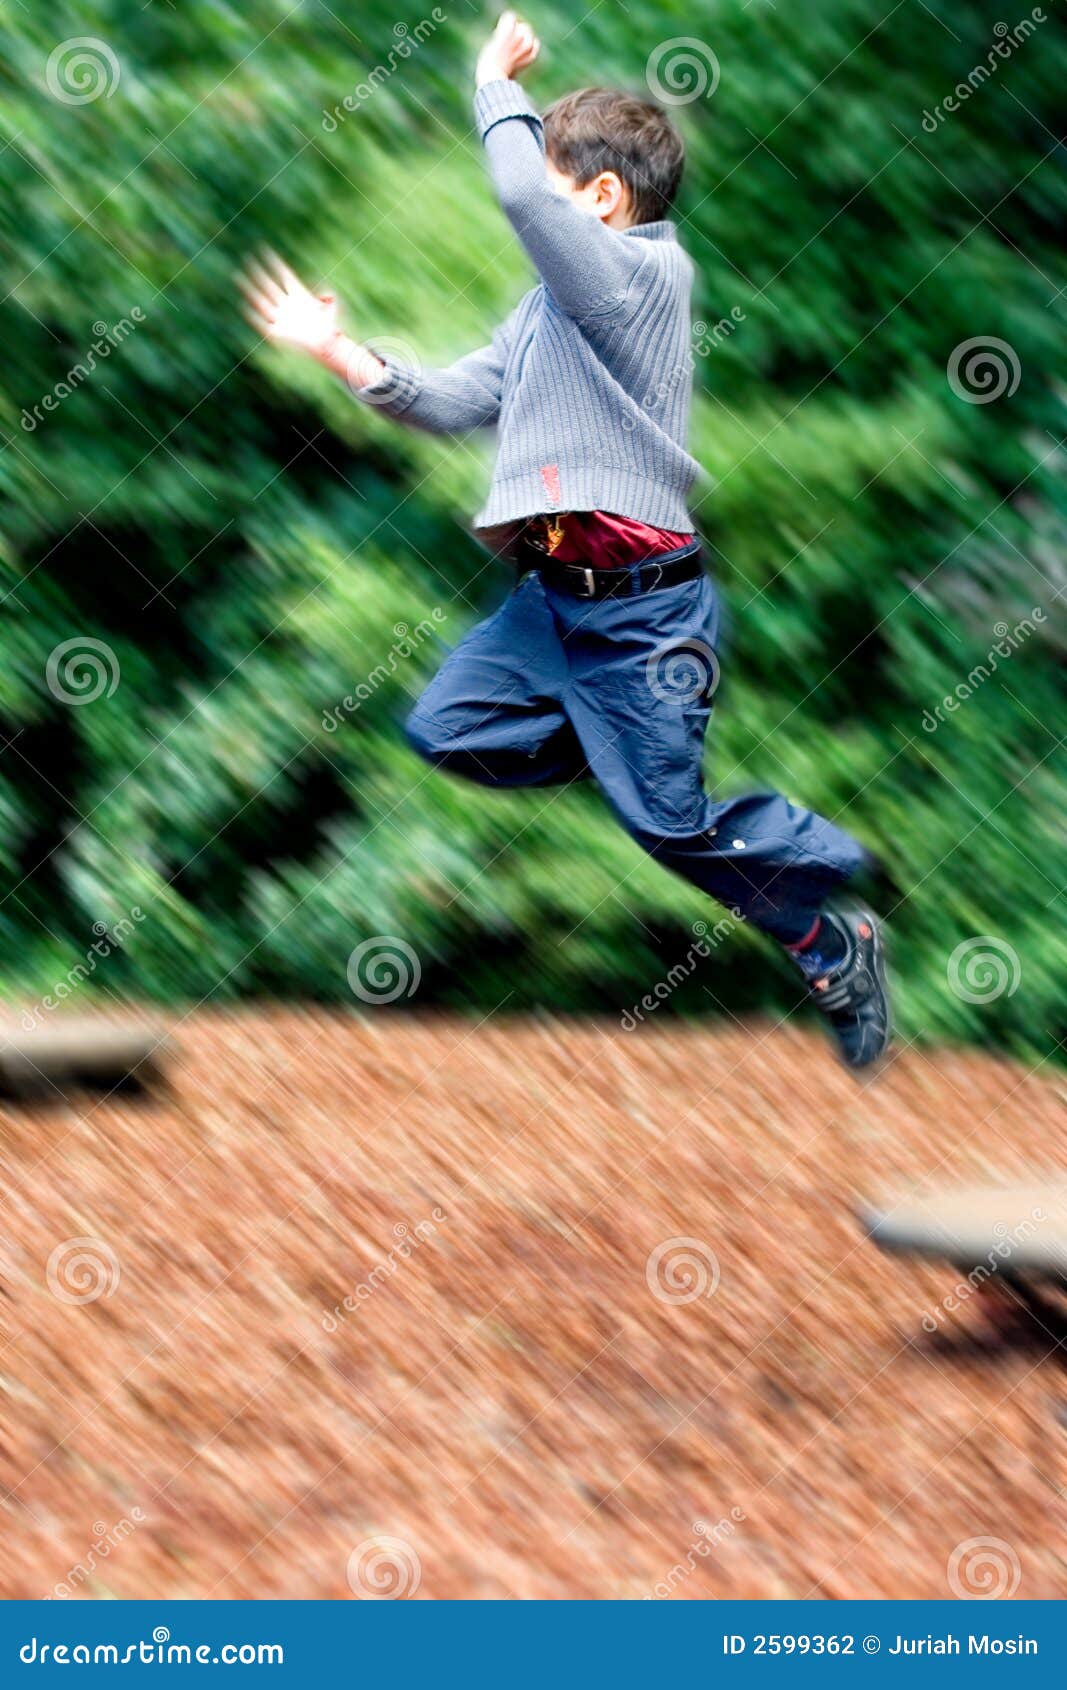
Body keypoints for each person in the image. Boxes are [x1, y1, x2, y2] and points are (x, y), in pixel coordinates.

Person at [239, 12, 891, 1069]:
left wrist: (494, 81)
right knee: (448, 729)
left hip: (645, 612)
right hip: (552, 605)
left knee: (666, 828)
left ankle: (827, 927)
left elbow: (511, 191)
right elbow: (450, 401)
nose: (536, 204)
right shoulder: (549, 311)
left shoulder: (638, 280)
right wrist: (337, 351)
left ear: (601, 198)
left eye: (554, 184)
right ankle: (621, 748)